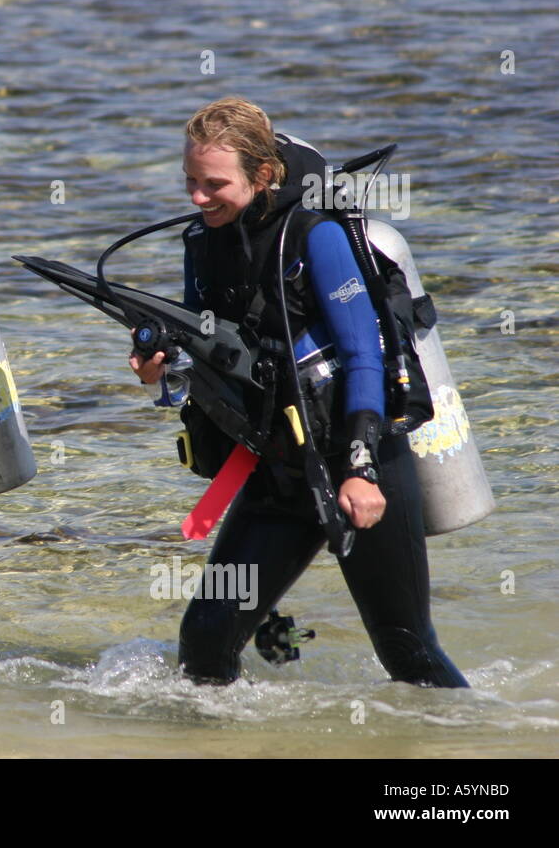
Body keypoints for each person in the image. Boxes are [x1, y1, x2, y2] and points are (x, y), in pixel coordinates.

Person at [130, 96, 468, 688]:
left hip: (359, 459)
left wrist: (360, 468)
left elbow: (365, 353)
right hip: (276, 468)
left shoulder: (315, 235)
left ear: (262, 177)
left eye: (214, 184)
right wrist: (163, 369)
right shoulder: (202, 240)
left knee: (407, 651)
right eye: (189, 180)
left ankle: (479, 753)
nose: (197, 198)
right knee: (204, 643)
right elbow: (209, 350)